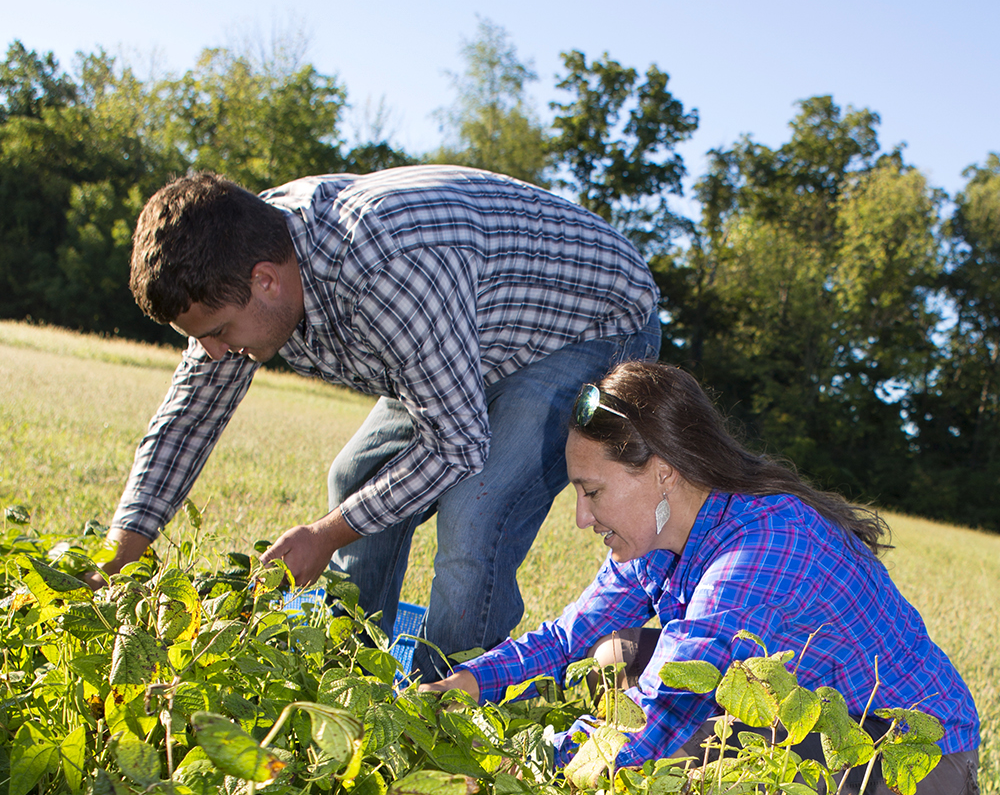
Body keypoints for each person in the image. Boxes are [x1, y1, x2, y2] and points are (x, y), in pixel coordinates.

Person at [96, 166, 660, 679]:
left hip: (586, 324)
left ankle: (446, 708)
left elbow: (456, 445)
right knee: (355, 479)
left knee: (476, 510)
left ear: (266, 280)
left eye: (217, 331)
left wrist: (325, 535)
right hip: (470, 329)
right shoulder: (232, 253)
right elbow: (189, 416)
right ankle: (347, 674)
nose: (214, 352)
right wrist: (125, 545)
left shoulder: (384, 268)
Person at [422, 361, 981, 795]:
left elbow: (664, 707)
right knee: (615, 654)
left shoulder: (760, 546)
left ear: (662, 473)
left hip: (904, 750)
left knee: (688, 750)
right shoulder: (662, 532)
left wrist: (530, 768)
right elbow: (570, 635)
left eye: (593, 492)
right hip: (810, 712)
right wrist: (470, 681)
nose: (581, 517)